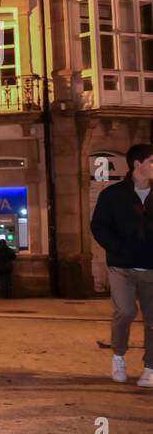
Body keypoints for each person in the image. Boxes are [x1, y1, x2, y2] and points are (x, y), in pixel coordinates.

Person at [90, 142, 153, 387]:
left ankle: (150, 367)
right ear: (138, 165)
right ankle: (118, 356)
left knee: (152, 319)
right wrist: (117, 248)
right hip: (122, 267)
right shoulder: (113, 195)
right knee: (125, 311)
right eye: (151, 161)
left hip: (151, 268)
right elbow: (98, 227)